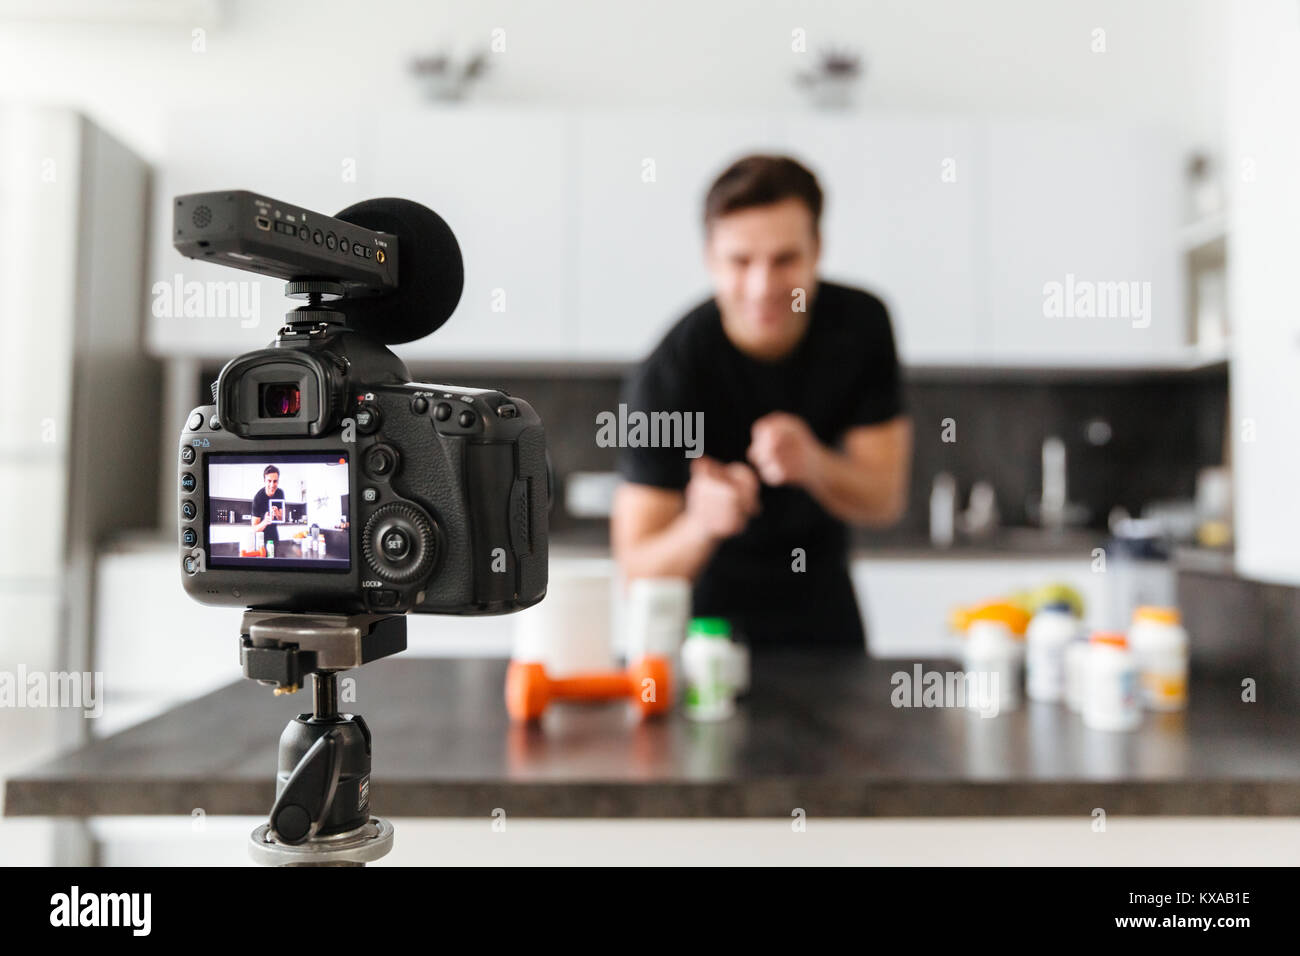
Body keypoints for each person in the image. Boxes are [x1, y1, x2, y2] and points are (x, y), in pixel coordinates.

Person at [611, 154, 913, 650]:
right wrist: (701, 525)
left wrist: (815, 464)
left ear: (818, 250)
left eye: (785, 259)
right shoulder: (669, 373)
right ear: (710, 258)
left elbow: (885, 499)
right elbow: (636, 572)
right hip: (707, 637)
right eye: (740, 261)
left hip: (827, 624)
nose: (763, 287)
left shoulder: (861, 326)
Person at [250, 465, 285, 546]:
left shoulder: (280, 493)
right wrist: (265, 522)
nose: (272, 485)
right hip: (260, 538)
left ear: (278, 481)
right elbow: (254, 528)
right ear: (264, 481)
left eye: (275, 481)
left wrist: (277, 513)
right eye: (269, 481)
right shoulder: (258, 498)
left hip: (274, 535)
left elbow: (281, 518)